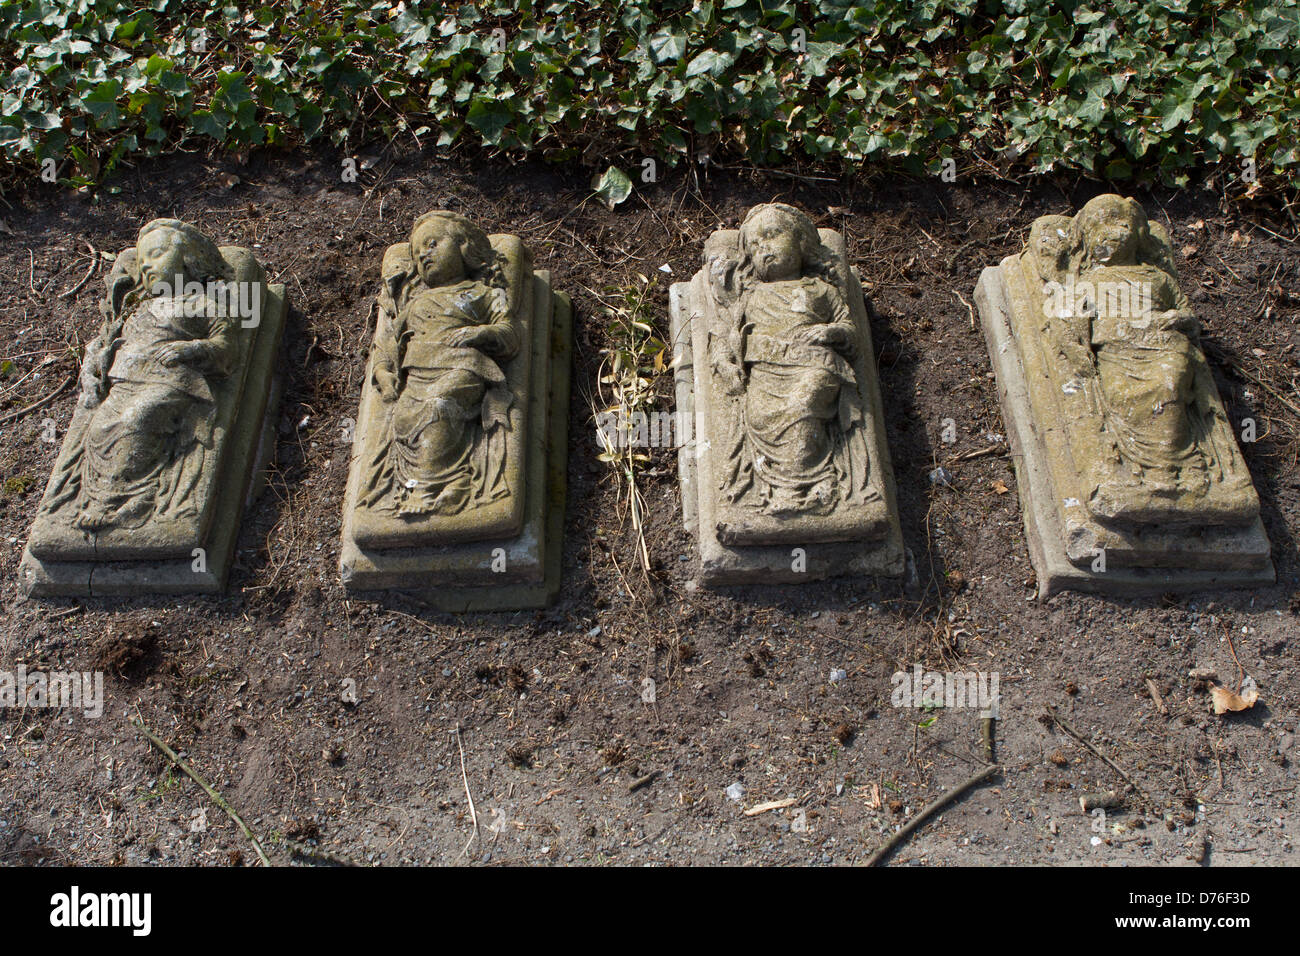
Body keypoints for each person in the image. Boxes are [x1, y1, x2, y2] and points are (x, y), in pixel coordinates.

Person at [364, 211, 521, 516]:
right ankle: (451, 484)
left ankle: (428, 491)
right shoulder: (415, 304)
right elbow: (387, 345)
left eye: (433, 243)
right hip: (417, 375)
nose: (424, 255)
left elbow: (510, 333)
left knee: (440, 404)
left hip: (462, 367)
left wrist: (481, 332)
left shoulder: (484, 294)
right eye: (417, 252)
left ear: (463, 245)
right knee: (404, 418)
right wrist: (384, 374)